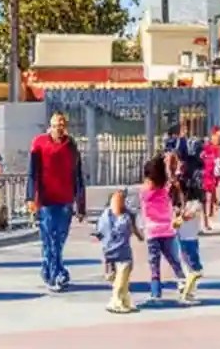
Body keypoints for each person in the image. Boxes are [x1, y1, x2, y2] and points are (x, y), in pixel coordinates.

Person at [26, 111, 87, 292]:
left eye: (61, 126)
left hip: (65, 201)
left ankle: (49, 269)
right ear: (49, 127)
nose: (58, 129)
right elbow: (32, 173)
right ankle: (56, 275)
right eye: (55, 126)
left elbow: (78, 176)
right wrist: (30, 197)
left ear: (65, 127)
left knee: (59, 240)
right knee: (50, 239)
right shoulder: (39, 144)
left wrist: (81, 204)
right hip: (46, 201)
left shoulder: (71, 146)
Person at [139, 155, 188, 304]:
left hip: (152, 233)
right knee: (174, 260)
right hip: (167, 231)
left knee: (154, 264)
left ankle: (156, 292)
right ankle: (183, 282)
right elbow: (173, 189)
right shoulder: (166, 191)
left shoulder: (145, 192)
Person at [94, 189, 144, 313]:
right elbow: (100, 233)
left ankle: (125, 300)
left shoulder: (122, 215)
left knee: (123, 277)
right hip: (116, 252)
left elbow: (100, 233)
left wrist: (139, 236)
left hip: (119, 251)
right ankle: (115, 301)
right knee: (121, 276)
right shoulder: (109, 216)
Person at [175, 182, 205, 302]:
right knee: (192, 269)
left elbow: (188, 216)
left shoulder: (196, 205)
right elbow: (176, 222)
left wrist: (180, 214)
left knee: (194, 269)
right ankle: (186, 292)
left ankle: (188, 290)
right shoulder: (183, 206)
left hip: (191, 239)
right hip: (183, 239)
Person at [200, 127, 220, 232]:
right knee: (206, 200)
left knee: (216, 199)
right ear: (212, 136)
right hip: (206, 176)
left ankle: (212, 218)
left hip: (216, 177)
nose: (218, 139)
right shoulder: (206, 148)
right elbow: (201, 159)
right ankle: (206, 222)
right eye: (217, 136)